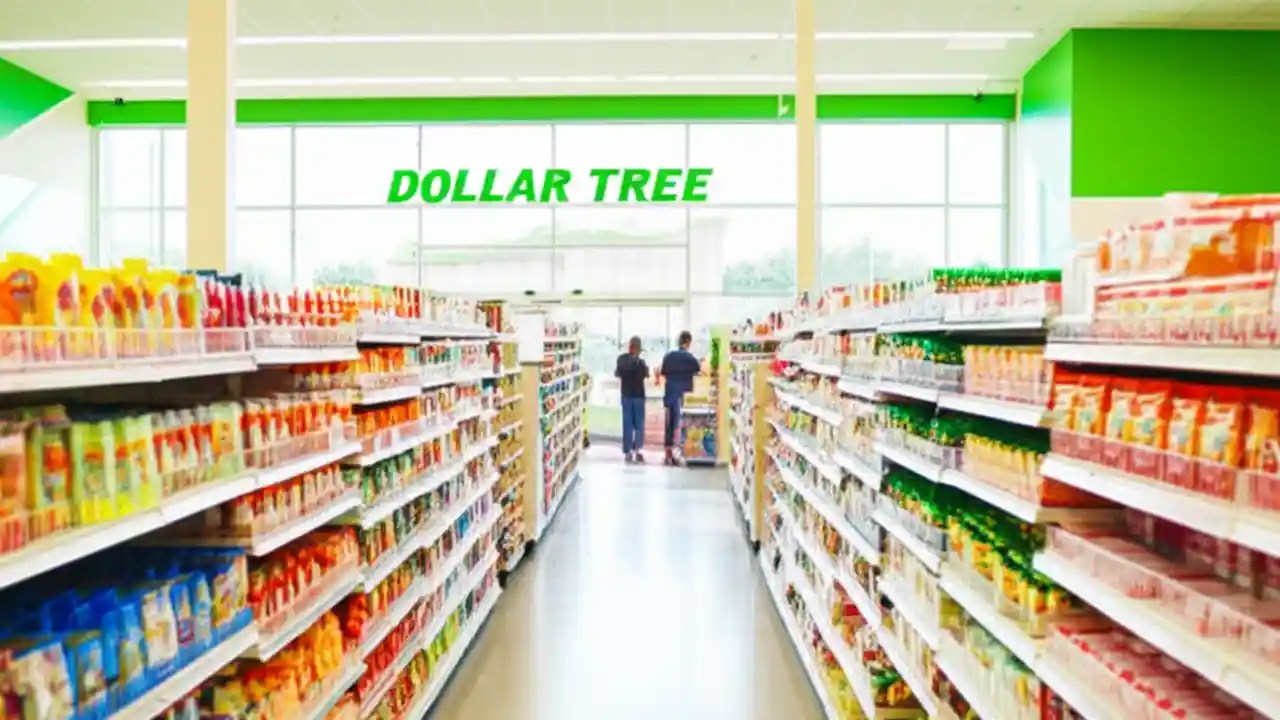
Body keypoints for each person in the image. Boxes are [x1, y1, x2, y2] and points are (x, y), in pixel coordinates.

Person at [658, 330, 701, 466]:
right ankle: (681, 452)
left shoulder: (669, 357)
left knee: (670, 424)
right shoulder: (690, 358)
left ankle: (668, 452)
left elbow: (663, 372)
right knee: (683, 424)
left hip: (670, 393)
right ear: (688, 342)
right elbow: (698, 370)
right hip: (685, 396)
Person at [614, 335, 649, 464]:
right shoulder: (640, 362)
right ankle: (637, 449)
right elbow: (645, 375)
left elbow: (617, 373)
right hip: (638, 395)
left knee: (627, 424)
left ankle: (628, 451)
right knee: (639, 424)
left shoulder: (621, 360)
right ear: (636, 348)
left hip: (626, 394)